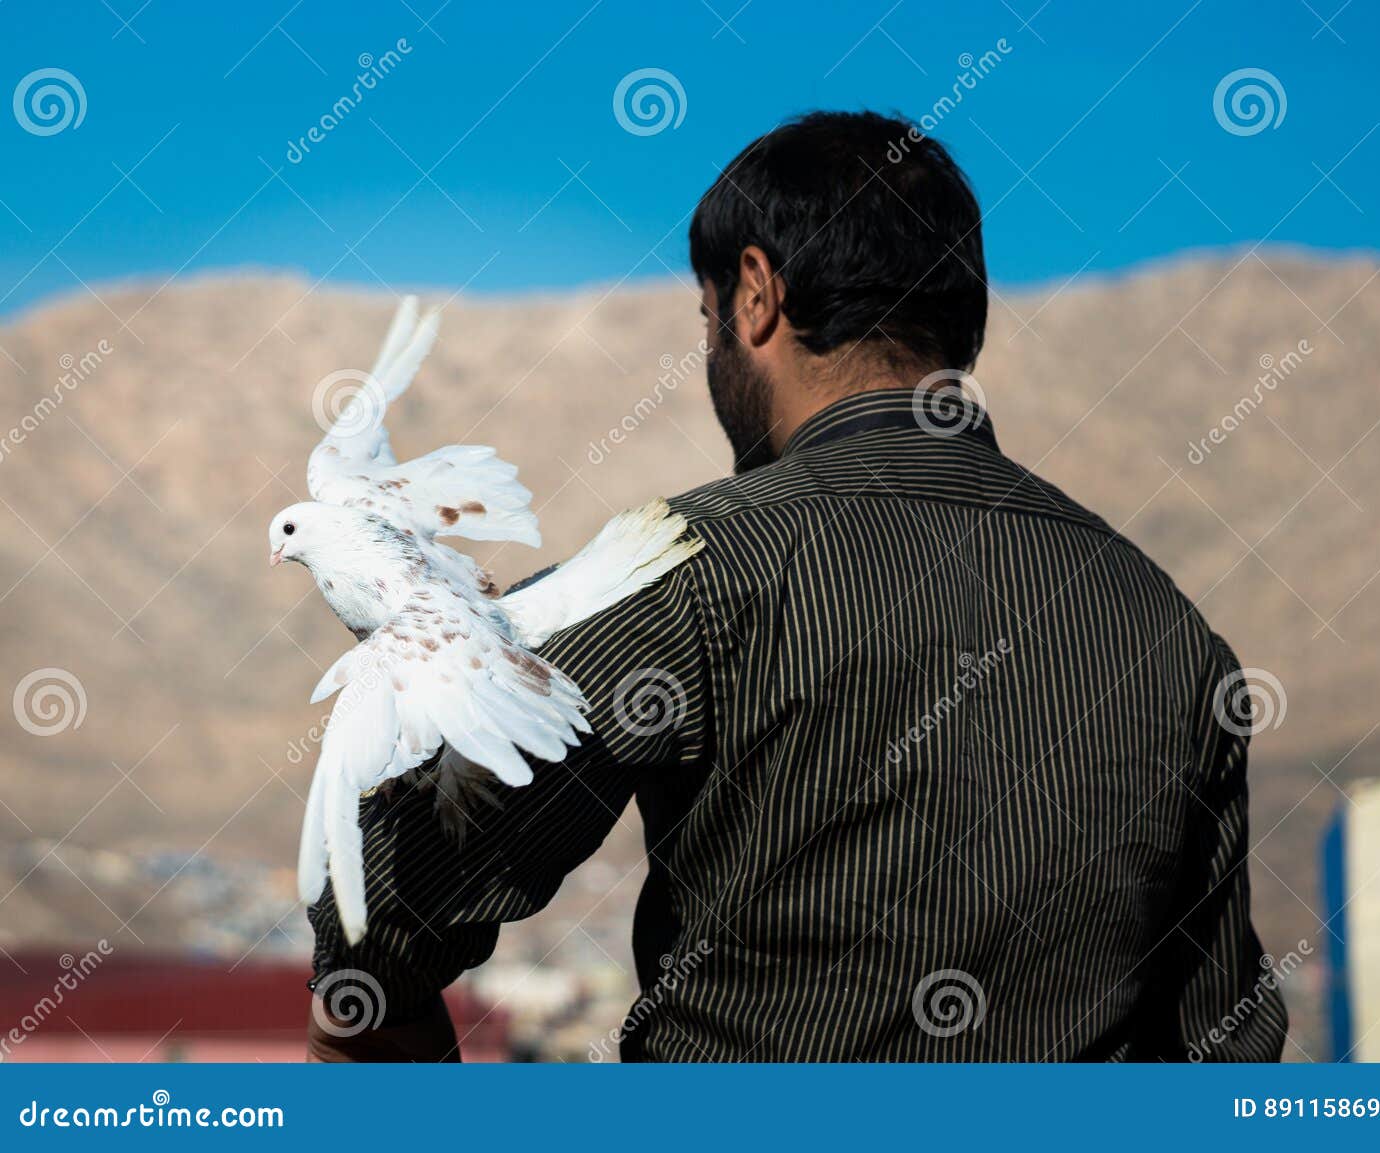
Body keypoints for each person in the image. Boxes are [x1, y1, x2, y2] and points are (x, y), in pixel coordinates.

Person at [306, 110, 1287, 1062]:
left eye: (707, 320)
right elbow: (1219, 1049)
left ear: (756, 295)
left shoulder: (690, 569)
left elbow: (382, 921)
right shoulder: (1168, 632)